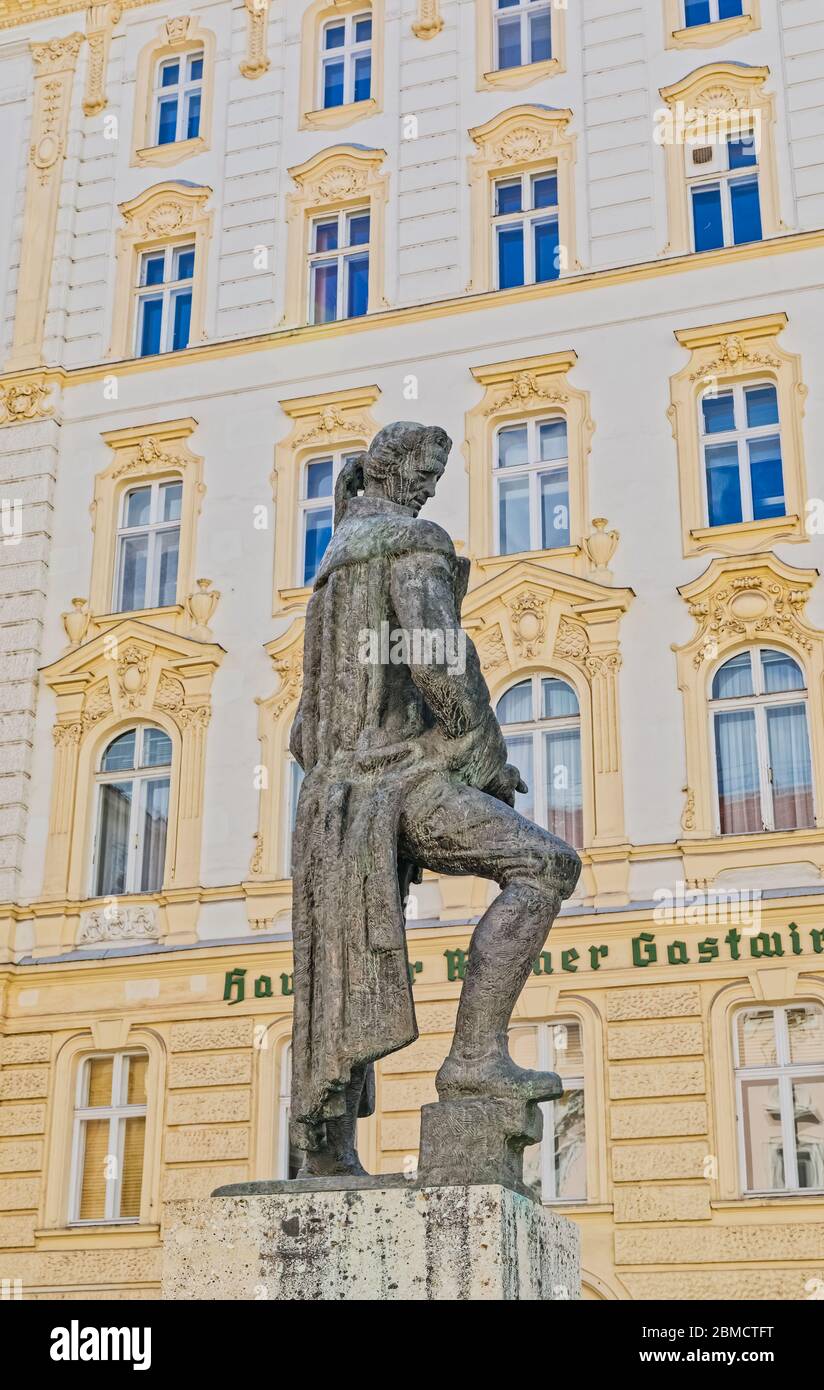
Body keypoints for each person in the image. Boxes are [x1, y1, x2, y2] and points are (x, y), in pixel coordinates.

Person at [289, 421, 581, 1176]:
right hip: (394, 782)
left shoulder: (331, 568)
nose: (429, 488)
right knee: (544, 866)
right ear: (388, 471)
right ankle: (474, 1059)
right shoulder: (413, 543)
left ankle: (328, 1158)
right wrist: (478, 751)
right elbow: (436, 655)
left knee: (338, 971)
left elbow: (301, 730)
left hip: (331, 801)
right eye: (423, 472)